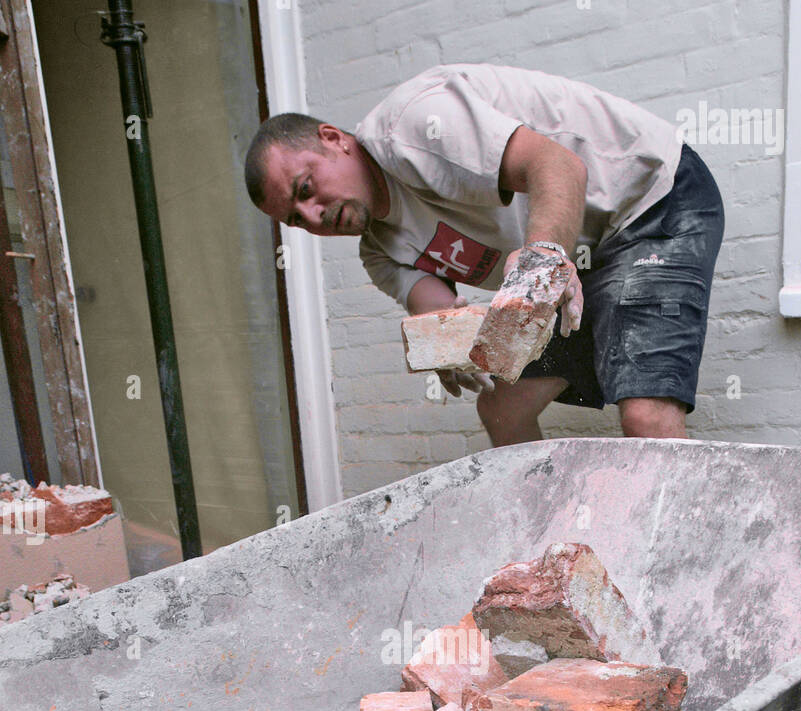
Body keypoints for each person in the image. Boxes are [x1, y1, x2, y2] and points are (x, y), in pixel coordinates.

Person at [245, 63, 724, 445]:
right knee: (501, 407)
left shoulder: (412, 128)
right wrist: (445, 347)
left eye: (306, 188)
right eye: (295, 218)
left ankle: (684, 563)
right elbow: (440, 313)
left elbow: (558, 164)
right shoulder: (380, 252)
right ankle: (547, 553)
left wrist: (539, 254)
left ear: (333, 139)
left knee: (644, 411)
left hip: (649, 199)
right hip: (577, 265)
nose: (312, 215)